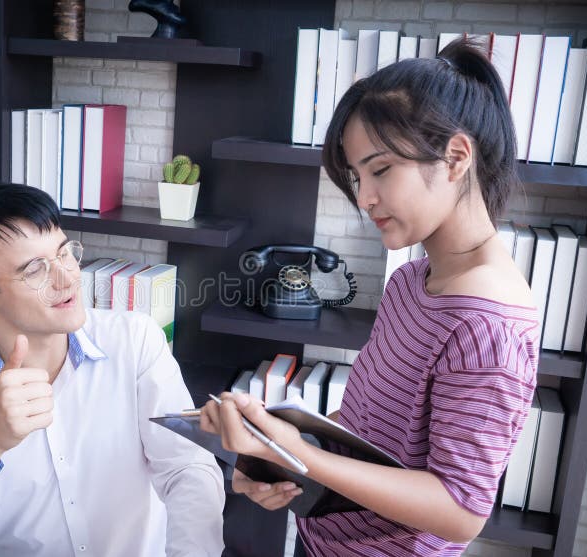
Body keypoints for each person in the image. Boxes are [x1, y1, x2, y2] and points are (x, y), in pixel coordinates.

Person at [200, 39, 539, 556]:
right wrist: (278, 456)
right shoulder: (411, 282)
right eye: (357, 177)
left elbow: (461, 511)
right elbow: (366, 432)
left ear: (455, 157)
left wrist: (304, 458)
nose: (364, 198)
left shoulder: (486, 327)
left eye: (380, 170)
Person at [0, 183, 225, 557]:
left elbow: (187, 469)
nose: (67, 278)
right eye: (35, 270)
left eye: (65, 253)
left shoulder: (135, 340)